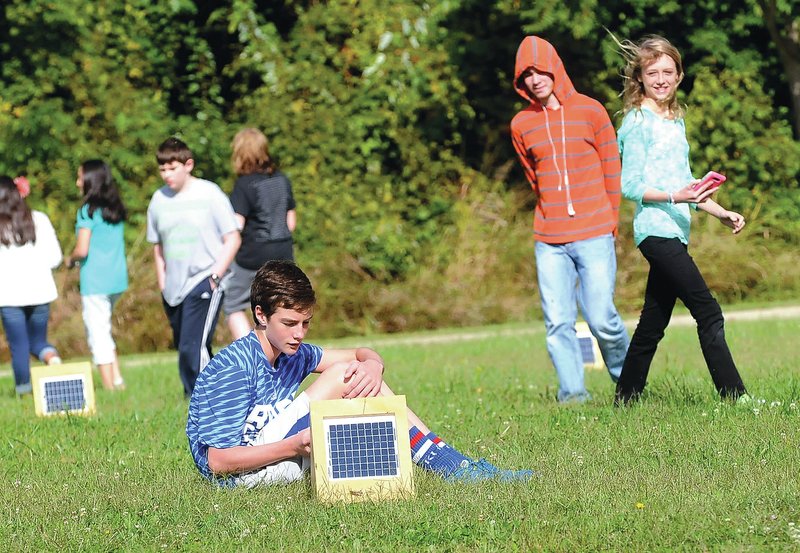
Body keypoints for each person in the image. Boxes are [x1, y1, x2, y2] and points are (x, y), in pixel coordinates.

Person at [186, 260, 534, 487]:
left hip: (280, 456)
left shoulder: (292, 351)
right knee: (344, 376)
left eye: (306, 323)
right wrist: (295, 443)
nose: (300, 334)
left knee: (355, 371)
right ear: (260, 316)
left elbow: (360, 353)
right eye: (290, 323)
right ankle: (453, 469)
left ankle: (454, 468)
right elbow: (218, 461)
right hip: (242, 478)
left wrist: (374, 365)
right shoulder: (234, 367)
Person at [614, 35, 749, 405]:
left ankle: (625, 401)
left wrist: (719, 212)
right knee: (708, 311)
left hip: (677, 229)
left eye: (667, 71)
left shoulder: (675, 121)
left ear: (679, 75)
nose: (660, 78)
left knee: (652, 325)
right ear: (639, 77)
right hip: (655, 232)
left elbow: (685, 183)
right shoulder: (637, 121)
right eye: (652, 72)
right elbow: (631, 186)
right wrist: (677, 197)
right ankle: (735, 397)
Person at [510, 36, 630, 403]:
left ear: (554, 67)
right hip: (549, 237)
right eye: (525, 74)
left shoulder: (591, 110)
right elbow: (534, 177)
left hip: (594, 231)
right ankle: (572, 395)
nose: (534, 79)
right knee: (558, 322)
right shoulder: (521, 124)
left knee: (601, 318)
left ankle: (629, 384)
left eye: (539, 69)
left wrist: (611, 221)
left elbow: (612, 169)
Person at [146, 137, 241, 397]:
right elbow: (158, 247)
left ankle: (204, 400)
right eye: (162, 169)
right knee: (187, 345)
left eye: (172, 168)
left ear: (188, 165)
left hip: (205, 278)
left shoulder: (210, 194)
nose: (167, 175)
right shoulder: (158, 200)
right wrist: (163, 282)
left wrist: (215, 276)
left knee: (194, 345)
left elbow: (233, 237)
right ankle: (210, 394)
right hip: (174, 287)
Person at [223, 128, 297, 340]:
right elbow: (290, 223)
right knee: (277, 307)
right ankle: (282, 352)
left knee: (233, 304)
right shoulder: (282, 180)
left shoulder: (244, 184)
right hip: (283, 253)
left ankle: (253, 354)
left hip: (253, 255)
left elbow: (236, 224)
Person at [65, 160, 128, 391]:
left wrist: (70, 260)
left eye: (80, 177)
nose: (77, 182)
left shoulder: (87, 211)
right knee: (105, 328)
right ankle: (118, 380)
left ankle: (109, 386)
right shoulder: (115, 209)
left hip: (95, 281)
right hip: (117, 279)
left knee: (97, 332)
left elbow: (82, 250)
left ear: (91, 181)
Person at [0, 176, 62, 395]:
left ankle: (24, 391)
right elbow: (56, 258)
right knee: (38, 342)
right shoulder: (39, 219)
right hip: (40, 292)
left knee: (19, 346)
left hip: (8, 297)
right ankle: (52, 359)